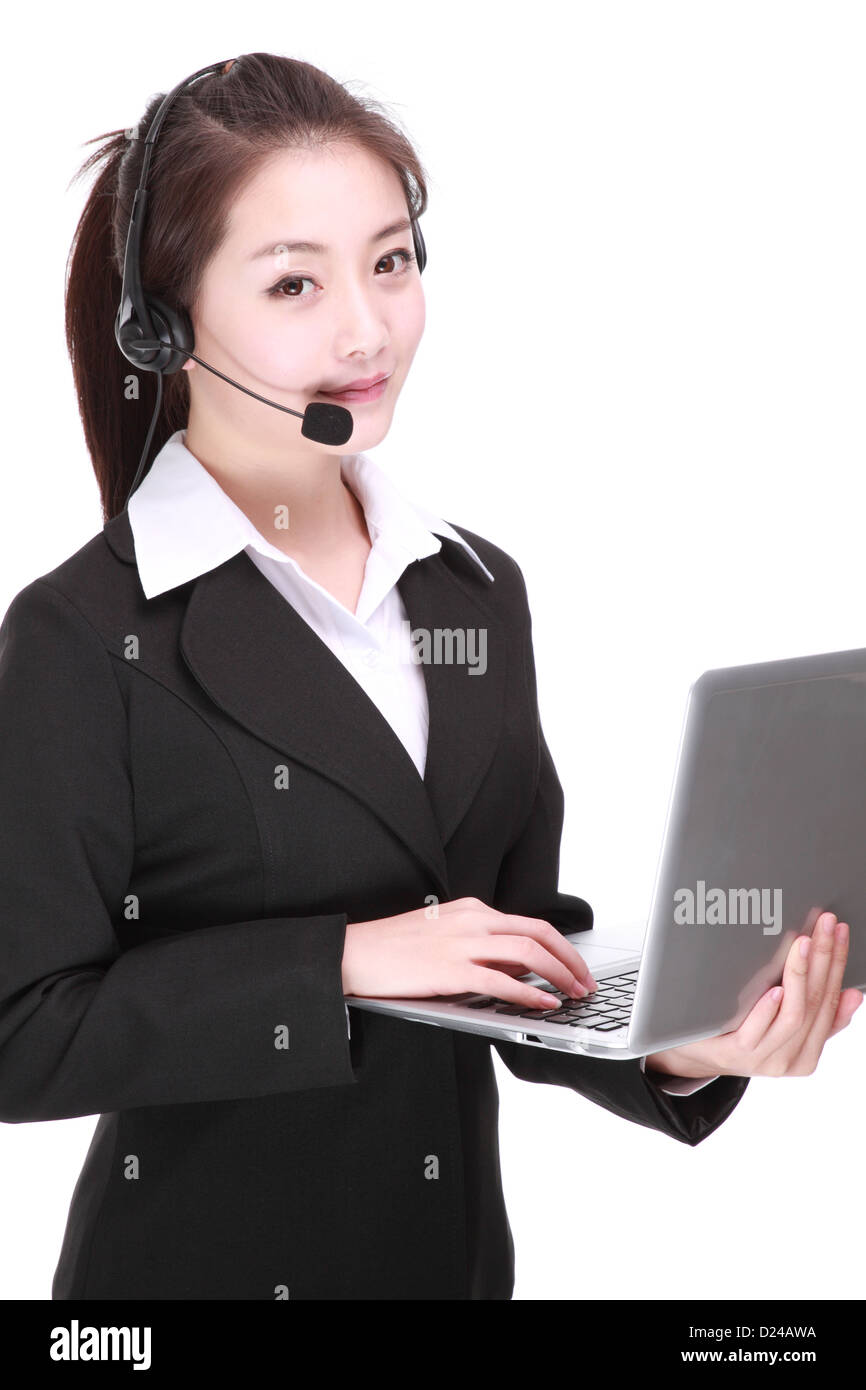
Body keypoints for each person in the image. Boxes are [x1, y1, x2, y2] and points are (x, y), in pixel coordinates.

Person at [0, 51, 860, 1302]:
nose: (367, 327)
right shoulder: (84, 637)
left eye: (391, 260)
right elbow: (20, 1031)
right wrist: (338, 960)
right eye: (295, 280)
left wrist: (674, 1039)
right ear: (165, 322)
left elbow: (500, 938)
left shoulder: (470, 589)